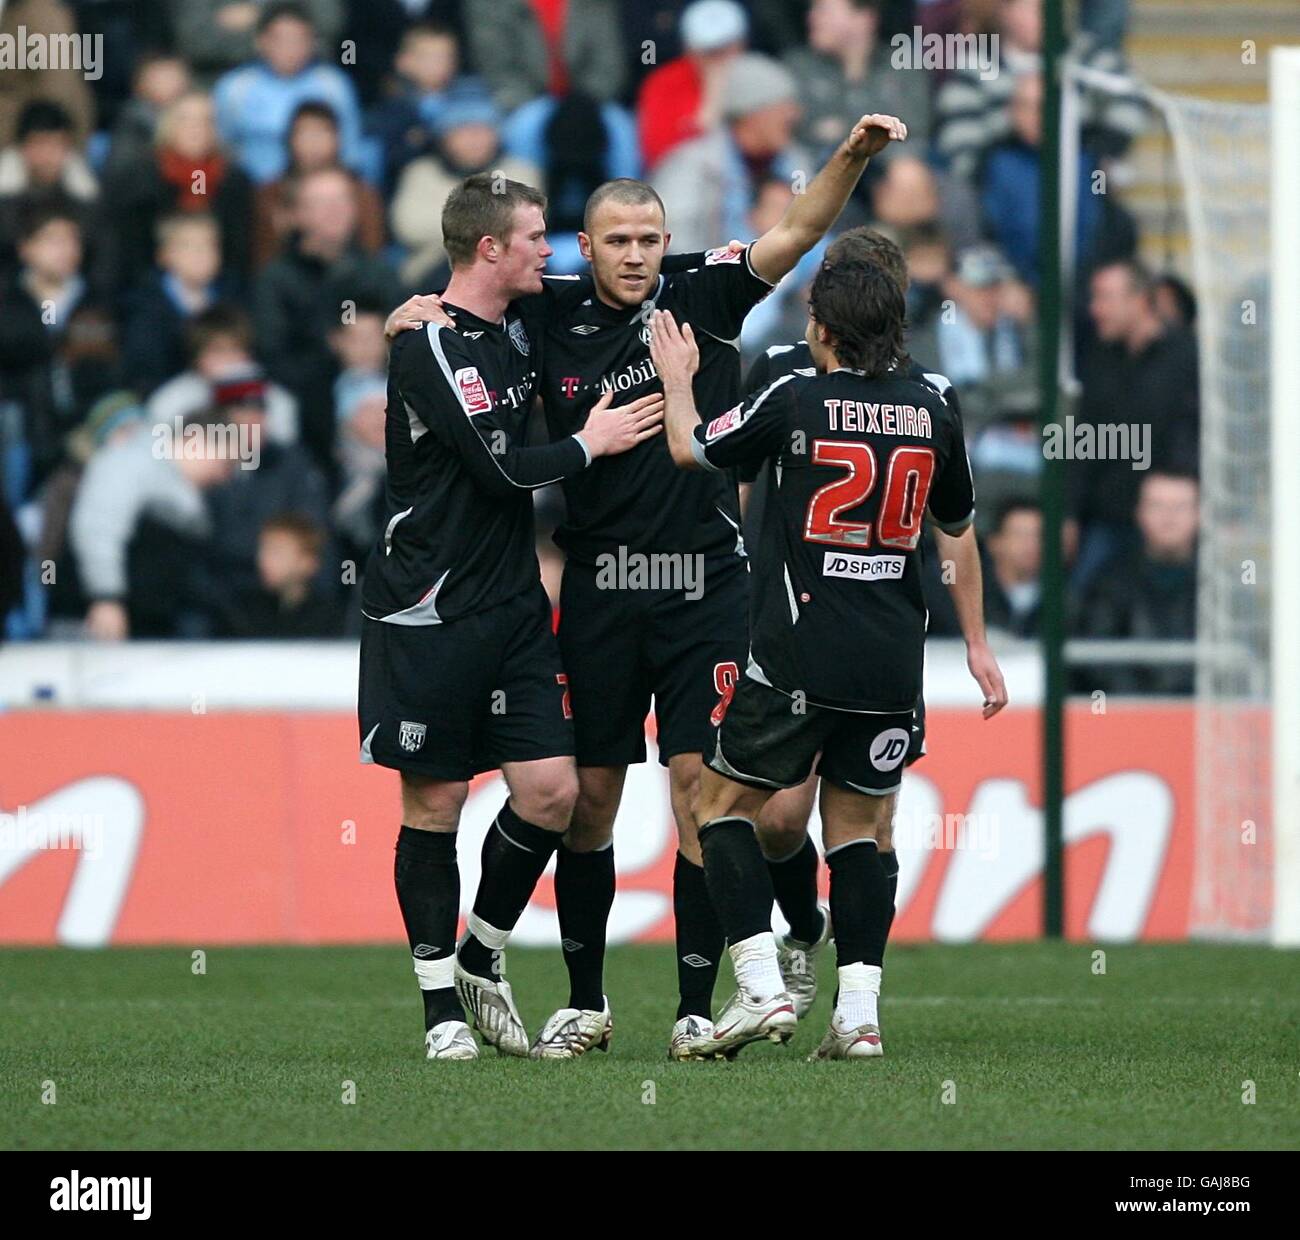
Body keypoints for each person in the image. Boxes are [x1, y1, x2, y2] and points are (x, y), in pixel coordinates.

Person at [386, 112, 909, 1060]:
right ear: (584, 249)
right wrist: (414, 310)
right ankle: (587, 1002)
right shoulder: (549, 308)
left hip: (705, 586)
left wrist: (852, 157)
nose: (634, 256)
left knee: (698, 793)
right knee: (587, 800)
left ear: (669, 243)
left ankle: (695, 1008)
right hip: (596, 585)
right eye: (616, 241)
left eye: (648, 240)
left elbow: (794, 233)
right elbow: (473, 294)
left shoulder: (703, 294)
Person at [648, 259, 1007, 1061]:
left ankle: (761, 986)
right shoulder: (936, 405)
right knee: (860, 833)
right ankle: (859, 1018)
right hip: (891, 660)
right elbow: (954, 528)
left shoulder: (797, 393)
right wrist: (977, 643)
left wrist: (678, 379)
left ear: (822, 328)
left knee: (717, 808)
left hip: (796, 654)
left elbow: (688, 450)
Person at [358, 173, 665, 1061]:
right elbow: (499, 471)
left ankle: (480, 955)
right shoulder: (431, 346)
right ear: (489, 248)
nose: (551, 248)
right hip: (427, 606)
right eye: (536, 235)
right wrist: (588, 444)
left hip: (515, 608)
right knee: (437, 800)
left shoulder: (524, 323)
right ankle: (437, 1013)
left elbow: (639, 274)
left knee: (552, 792)